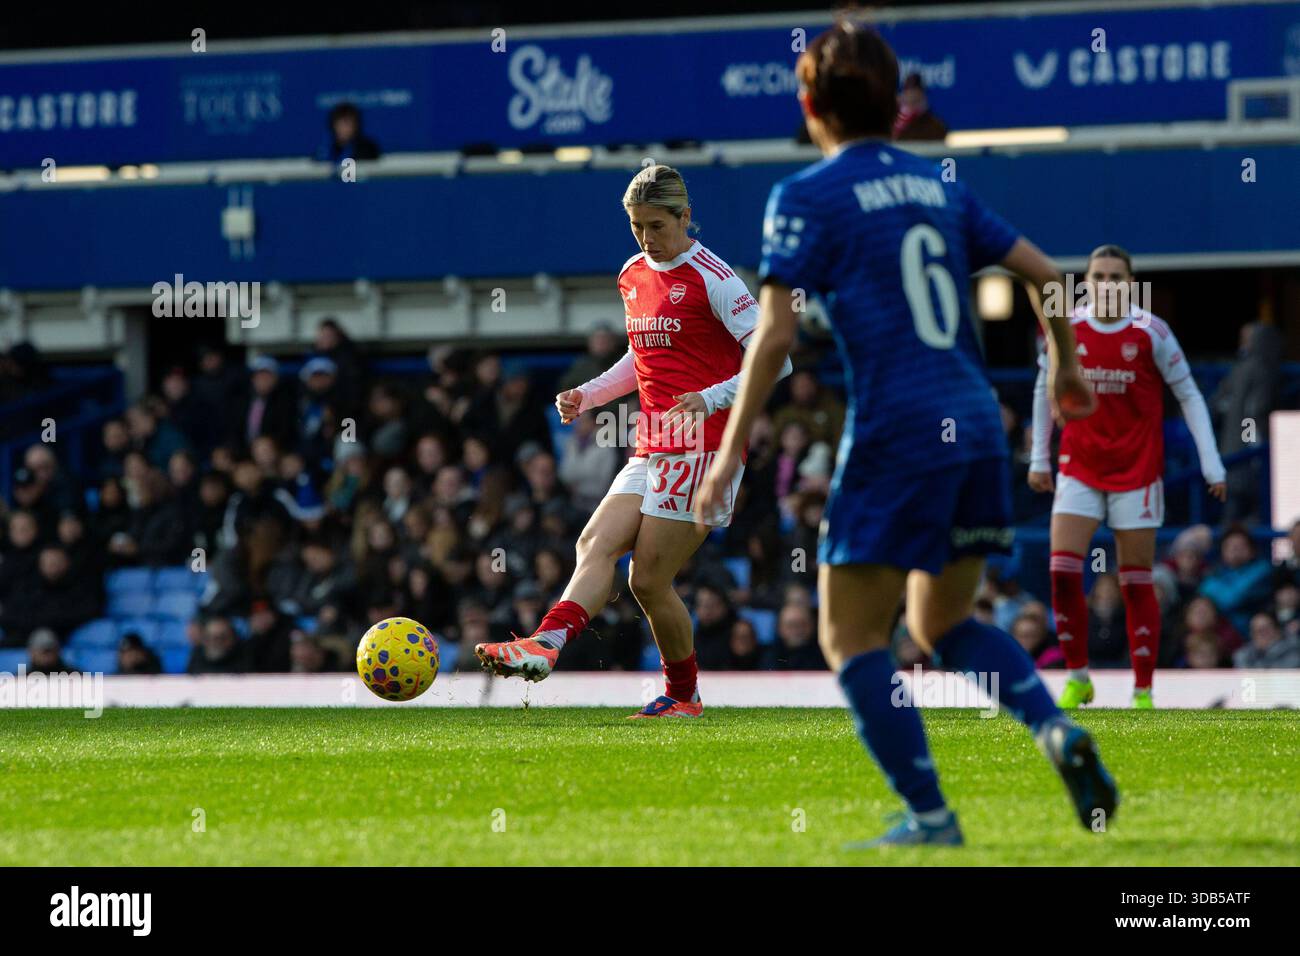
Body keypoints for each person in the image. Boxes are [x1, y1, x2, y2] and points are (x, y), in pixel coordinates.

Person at [695, 20, 1117, 846]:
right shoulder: (938, 185)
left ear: (810, 105)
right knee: (942, 626)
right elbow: (1049, 277)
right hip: (977, 430)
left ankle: (931, 816)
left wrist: (727, 451)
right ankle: (1055, 729)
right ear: (894, 106)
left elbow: (775, 336)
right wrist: (1064, 368)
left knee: (849, 636)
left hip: (898, 432)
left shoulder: (806, 195)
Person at [474, 163, 791, 717]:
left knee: (647, 578)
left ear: (685, 217)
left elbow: (777, 360)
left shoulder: (716, 279)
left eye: (657, 225)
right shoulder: (632, 273)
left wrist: (712, 397)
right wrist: (589, 395)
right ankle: (545, 646)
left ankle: (683, 695)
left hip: (705, 445)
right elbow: (640, 357)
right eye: (637, 226)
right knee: (592, 544)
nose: (646, 237)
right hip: (653, 441)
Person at [1028, 244, 1226, 709]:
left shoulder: (1152, 331)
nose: (1108, 285)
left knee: (1135, 581)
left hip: (1136, 471)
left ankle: (1142, 690)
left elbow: (1190, 394)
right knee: (1061, 573)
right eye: (1099, 277)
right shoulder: (1069, 326)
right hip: (1079, 466)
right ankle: (1078, 677)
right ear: (1088, 283)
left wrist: (1211, 461)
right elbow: (1044, 387)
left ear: (1131, 284)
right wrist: (1038, 457)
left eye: (1117, 277)